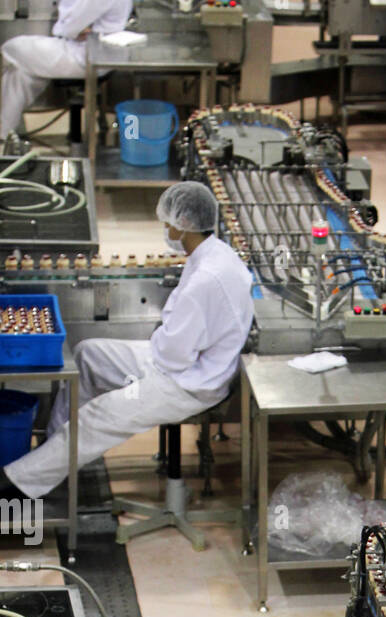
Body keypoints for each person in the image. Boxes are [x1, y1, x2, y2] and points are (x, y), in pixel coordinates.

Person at [0, 181, 253, 502]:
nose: (165, 229)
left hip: (186, 383)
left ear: (182, 225)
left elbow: (174, 356)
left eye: (167, 223)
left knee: (98, 417)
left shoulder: (206, 279)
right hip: (175, 361)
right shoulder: (214, 254)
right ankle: (56, 454)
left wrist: (160, 342)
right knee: (88, 354)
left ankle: (16, 484)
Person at [1, 0, 133, 141]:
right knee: (23, 74)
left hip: (84, 57)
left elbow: (67, 29)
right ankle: (6, 131)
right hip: (91, 51)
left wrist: (74, 29)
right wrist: (79, 29)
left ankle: (4, 131)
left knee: (13, 47)